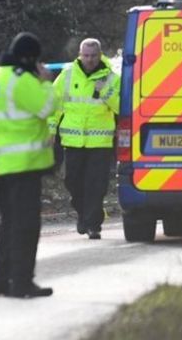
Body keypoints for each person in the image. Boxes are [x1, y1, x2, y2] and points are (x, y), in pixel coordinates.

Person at [0, 32, 58, 298]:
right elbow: (47, 107)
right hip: (25, 165)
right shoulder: (21, 80)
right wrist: (46, 82)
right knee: (25, 227)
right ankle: (21, 283)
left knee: (9, 224)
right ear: (30, 58)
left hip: (3, 164)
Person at [50, 37, 120, 240]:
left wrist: (104, 91)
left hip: (100, 143)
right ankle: (83, 214)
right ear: (80, 55)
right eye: (86, 55)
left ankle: (93, 225)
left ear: (100, 56)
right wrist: (50, 131)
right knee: (73, 182)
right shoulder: (67, 76)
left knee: (96, 185)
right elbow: (54, 104)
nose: (89, 60)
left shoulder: (111, 79)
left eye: (93, 56)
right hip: (73, 142)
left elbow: (120, 107)